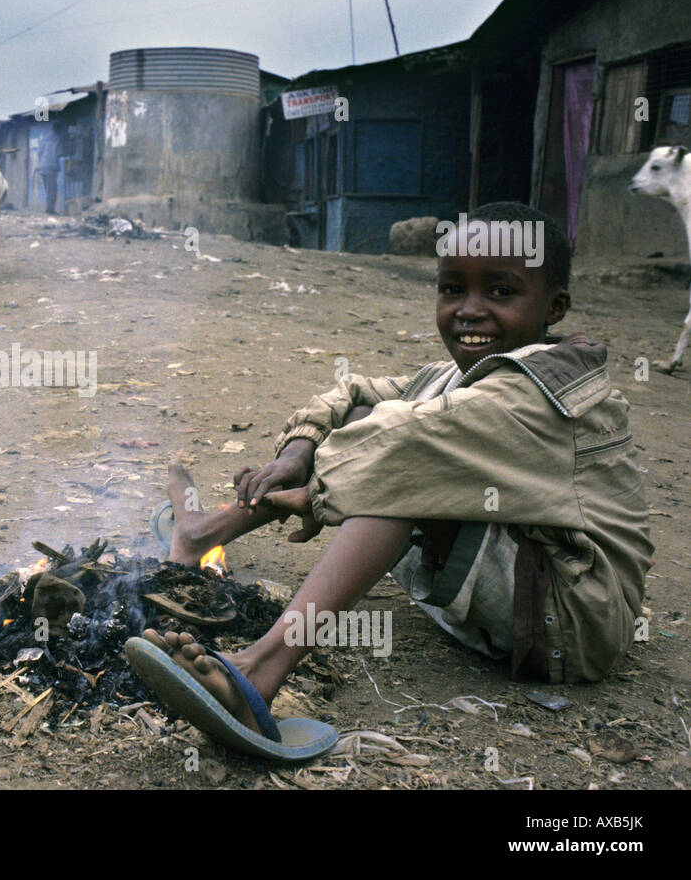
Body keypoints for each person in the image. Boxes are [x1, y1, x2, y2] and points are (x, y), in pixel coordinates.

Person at [129, 202, 653, 758]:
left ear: (555, 306)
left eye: (500, 293)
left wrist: (316, 492)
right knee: (377, 428)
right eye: (453, 289)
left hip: (569, 625)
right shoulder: (463, 375)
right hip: (524, 595)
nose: (469, 312)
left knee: (401, 468)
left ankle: (257, 670)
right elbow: (354, 394)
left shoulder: (547, 395)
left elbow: (397, 447)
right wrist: (298, 451)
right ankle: (203, 533)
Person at [37, 123, 62, 215]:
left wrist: (41, 163)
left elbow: (39, 153)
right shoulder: (58, 140)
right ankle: (50, 210)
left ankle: (49, 209)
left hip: (42, 167)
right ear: (58, 130)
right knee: (52, 190)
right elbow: (59, 154)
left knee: (48, 190)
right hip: (51, 167)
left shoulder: (44, 140)